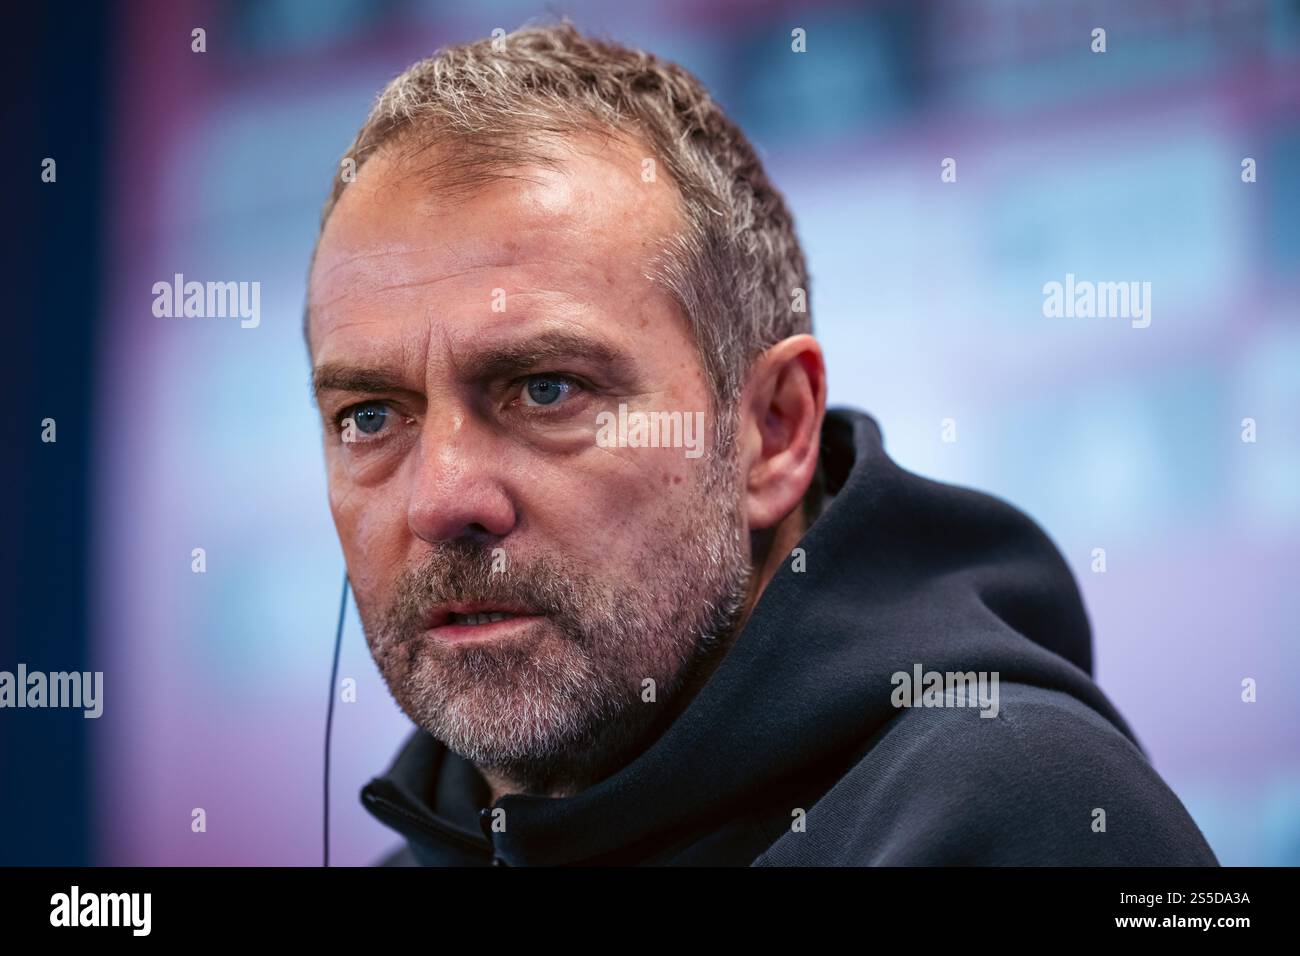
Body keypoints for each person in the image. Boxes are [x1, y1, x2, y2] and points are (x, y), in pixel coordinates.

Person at [304, 22, 1217, 866]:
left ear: (774, 431)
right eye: (370, 416)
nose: (441, 499)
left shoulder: (1031, 815)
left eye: (548, 390)